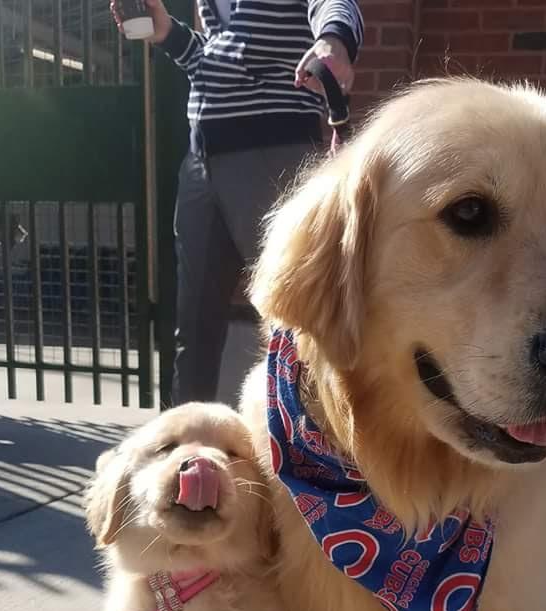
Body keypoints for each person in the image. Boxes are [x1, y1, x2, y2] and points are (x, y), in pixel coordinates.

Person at [114, 0, 363, 406]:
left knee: (296, 316)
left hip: (273, 149)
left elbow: (334, 3)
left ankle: (310, 453)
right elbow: (212, 58)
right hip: (202, 156)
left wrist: (334, 40)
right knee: (194, 325)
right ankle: (188, 453)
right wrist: (169, 34)